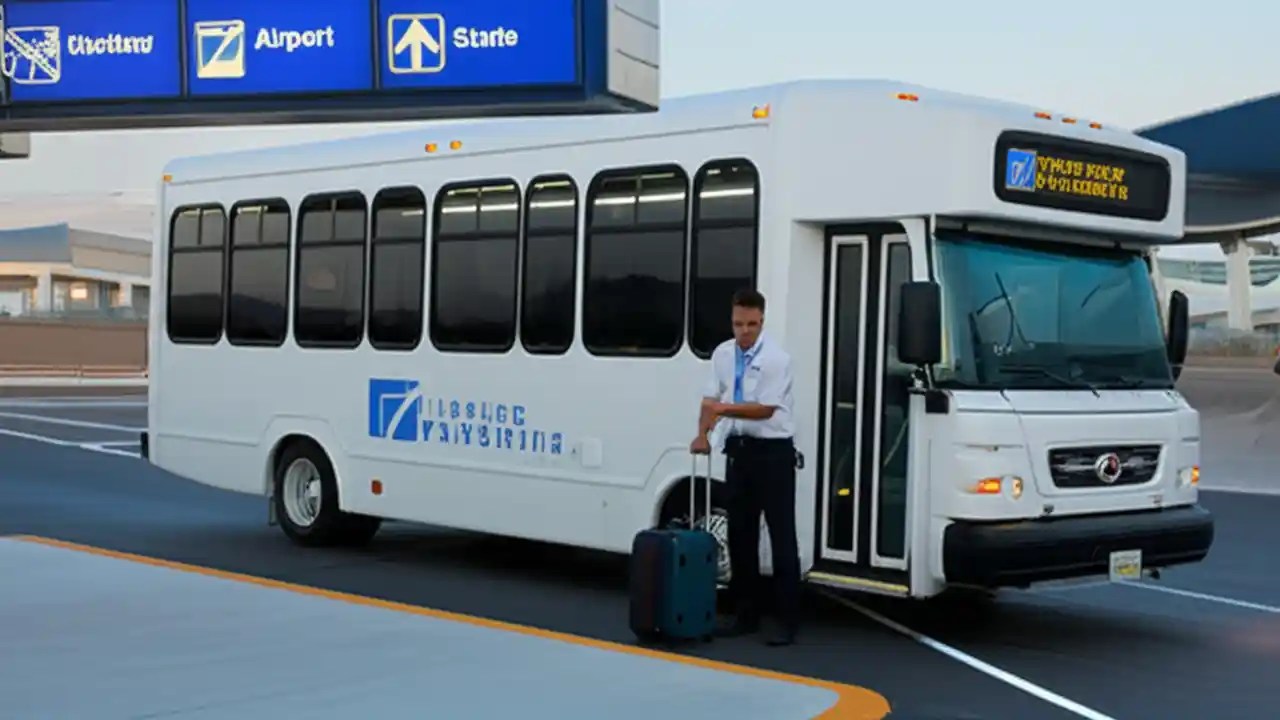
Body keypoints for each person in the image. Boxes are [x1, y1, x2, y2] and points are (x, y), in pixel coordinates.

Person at [691, 287, 800, 646]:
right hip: (739, 449)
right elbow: (711, 398)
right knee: (741, 534)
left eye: (752, 324)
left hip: (773, 452)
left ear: (762, 320)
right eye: (739, 324)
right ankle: (745, 613)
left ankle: (786, 620)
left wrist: (722, 410)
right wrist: (703, 434)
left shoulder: (776, 359)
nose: (745, 331)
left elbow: (765, 408)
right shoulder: (723, 354)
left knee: (782, 535)